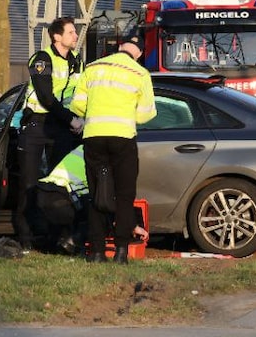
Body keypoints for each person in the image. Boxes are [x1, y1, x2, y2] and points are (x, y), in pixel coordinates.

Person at [69, 33, 156, 264]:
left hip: (94, 137)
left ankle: (96, 252)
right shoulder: (140, 73)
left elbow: (77, 103)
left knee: (97, 193)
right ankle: (120, 252)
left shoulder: (93, 68)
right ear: (138, 54)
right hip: (123, 138)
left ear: (119, 47)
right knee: (125, 196)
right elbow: (147, 113)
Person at [13, 17, 84, 251]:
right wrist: (72, 119)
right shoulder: (42, 59)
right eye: (72, 32)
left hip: (61, 128)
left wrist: (79, 119)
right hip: (37, 125)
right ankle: (26, 238)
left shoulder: (76, 62)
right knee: (29, 183)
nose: (76, 36)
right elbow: (45, 97)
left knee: (59, 184)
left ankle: (57, 239)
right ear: (57, 37)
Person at [35, 144, 88, 255]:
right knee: (98, 211)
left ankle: (55, 243)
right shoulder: (103, 156)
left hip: (43, 194)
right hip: (62, 200)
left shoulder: (82, 147)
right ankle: (73, 241)